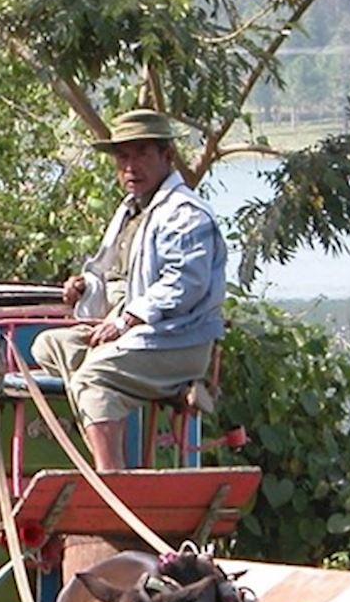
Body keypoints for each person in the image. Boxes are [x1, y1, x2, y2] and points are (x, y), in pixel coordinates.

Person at [31, 108, 227, 471]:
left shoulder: (185, 214)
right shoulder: (131, 211)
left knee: (92, 377)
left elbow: (185, 283)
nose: (131, 166)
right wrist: (85, 288)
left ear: (166, 157)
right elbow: (114, 277)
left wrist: (126, 321)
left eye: (142, 153)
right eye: (123, 156)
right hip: (137, 337)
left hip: (176, 341)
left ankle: (112, 480)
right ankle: (124, 394)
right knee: (48, 345)